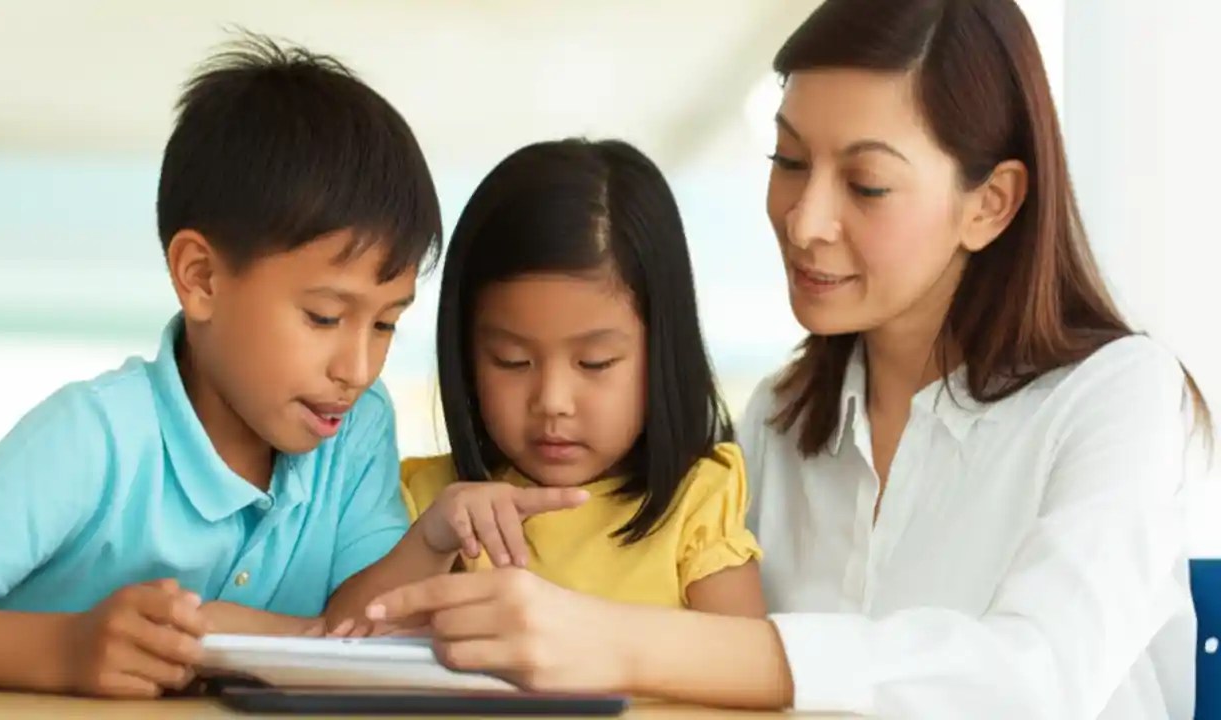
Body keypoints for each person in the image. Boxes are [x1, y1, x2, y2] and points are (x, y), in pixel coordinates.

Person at [360, 1, 1209, 717]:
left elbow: (1036, 680)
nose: (804, 220)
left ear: (990, 204)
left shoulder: (1119, 398)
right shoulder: (777, 417)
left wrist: (619, 641)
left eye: (866, 184)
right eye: (789, 161)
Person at [0, 35, 577, 699]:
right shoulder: (94, 437)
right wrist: (66, 651)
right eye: (325, 317)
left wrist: (433, 535)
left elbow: (353, 634)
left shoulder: (356, 429)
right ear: (202, 279)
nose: (358, 368)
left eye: (386, 323)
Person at [386, 139, 763, 613]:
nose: (553, 401)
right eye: (511, 360)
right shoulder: (428, 502)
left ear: (663, 351)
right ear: (463, 353)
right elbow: (348, 645)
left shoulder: (697, 501)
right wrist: (430, 543)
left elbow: (746, 669)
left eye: (596, 363)